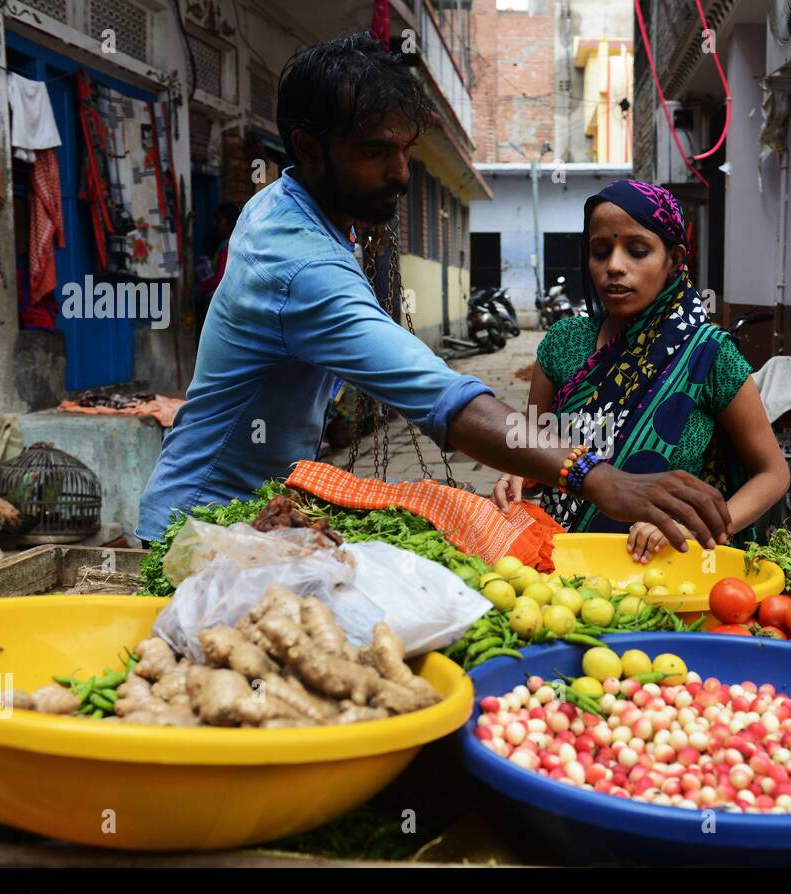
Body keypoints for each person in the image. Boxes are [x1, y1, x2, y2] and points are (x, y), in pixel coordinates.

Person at [136, 34, 731, 553]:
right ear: (310, 149)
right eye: (375, 152)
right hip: (198, 527)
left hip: (257, 516)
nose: (400, 173)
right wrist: (598, 477)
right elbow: (449, 402)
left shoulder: (293, 204)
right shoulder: (301, 264)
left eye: (405, 150)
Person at [492, 179, 789, 562]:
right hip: (561, 563)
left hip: (665, 566)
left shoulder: (708, 355)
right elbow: (533, 444)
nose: (614, 266)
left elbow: (773, 473)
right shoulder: (564, 342)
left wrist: (693, 526)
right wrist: (517, 473)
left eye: (637, 251)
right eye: (600, 251)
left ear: (674, 260)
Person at [194, 201, 238, 344]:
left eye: (219, 220)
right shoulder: (236, 243)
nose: (215, 224)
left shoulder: (227, 247)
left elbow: (220, 278)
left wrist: (199, 288)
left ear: (229, 223)